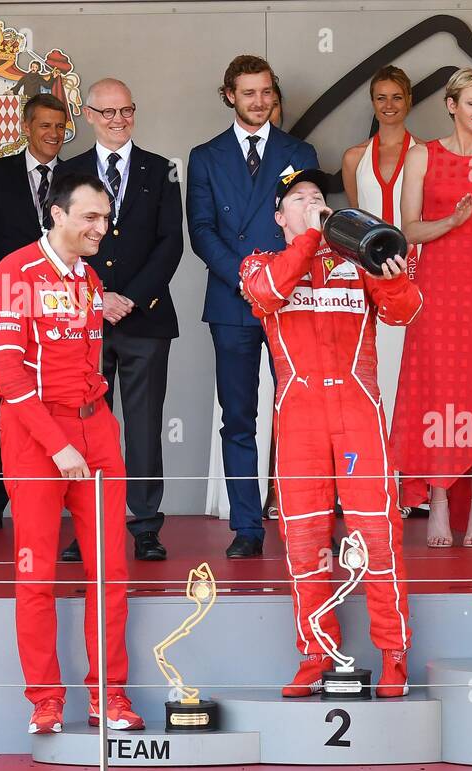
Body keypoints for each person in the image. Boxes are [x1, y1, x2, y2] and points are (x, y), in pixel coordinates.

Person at [239, 170, 421, 697]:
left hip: (358, 416)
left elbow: (406, 312)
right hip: (299, 422)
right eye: (299, 199)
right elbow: (267, 295)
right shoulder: (262, 262)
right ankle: (316, 654)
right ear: (280, 217)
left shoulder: (357, 261)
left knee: (379, 540)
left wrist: (390, 274)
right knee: (305, 544)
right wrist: (312, 237)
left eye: (320, 198)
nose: (314, 204)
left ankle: (393, 655)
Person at [0, 171, 143, 734]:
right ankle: (45, 700)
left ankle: (109, 696)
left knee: (111, 571)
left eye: (105, 218)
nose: (102, 227)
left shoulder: (90, 278)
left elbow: (90, 368)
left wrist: (94, 435)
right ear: (57, 215)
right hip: (35, 438)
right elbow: (8, 377)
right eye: (90, 218)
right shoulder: (13, 273)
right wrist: (58, 448)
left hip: (94, 432)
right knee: (36, 573)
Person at [188, 55, 318, 559]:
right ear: (229, 96)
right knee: (238, 416)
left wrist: (276, 280)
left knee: (301, 415)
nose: (259, 101)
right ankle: (246, 525)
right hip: (233, 299)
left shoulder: (299, 150)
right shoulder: (205, 156)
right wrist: (247, 278)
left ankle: (304, 516)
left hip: (289, 299)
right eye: (248, 93)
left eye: (266, 92)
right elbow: (201, 232)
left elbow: (308, 224)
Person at [393, 68, 472, 549]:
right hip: (437, 289)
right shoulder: (422, 155)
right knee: (437, 393)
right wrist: (453, 219)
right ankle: (440, 500)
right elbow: (408, 230)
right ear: (451, 106)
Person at [58, 78, 184, 563]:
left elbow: (170, 243)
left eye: (125, 111)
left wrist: (127, 297)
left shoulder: (162, 170)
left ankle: (146, 525)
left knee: (145, 426)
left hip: (146, 320)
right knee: (86, 429)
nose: (117, 120)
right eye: (107, 112)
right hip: (85, 324)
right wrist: (98, 298)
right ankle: (87, 525)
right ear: (88, 115)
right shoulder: (69, 172)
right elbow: (62, 242)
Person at [0, 93, 69, 531]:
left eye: (60, 127)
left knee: (59, 400)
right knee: (3, 399)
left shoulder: (76, 175)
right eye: (44, 125)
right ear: (26, 127)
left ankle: (59, 497)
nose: (53, 134)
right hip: (7, 303)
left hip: (61, 308)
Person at [342, 65, 418, 432]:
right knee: (373, 370)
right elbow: (358, 224)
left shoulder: (427, 154)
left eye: (397, 97)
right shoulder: (354, 157)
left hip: (415, 277)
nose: (389, 105)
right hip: (367, 283)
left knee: (412, 373)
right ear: (372, 103)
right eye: (381, 97)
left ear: (409, 101)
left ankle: (408, 475)